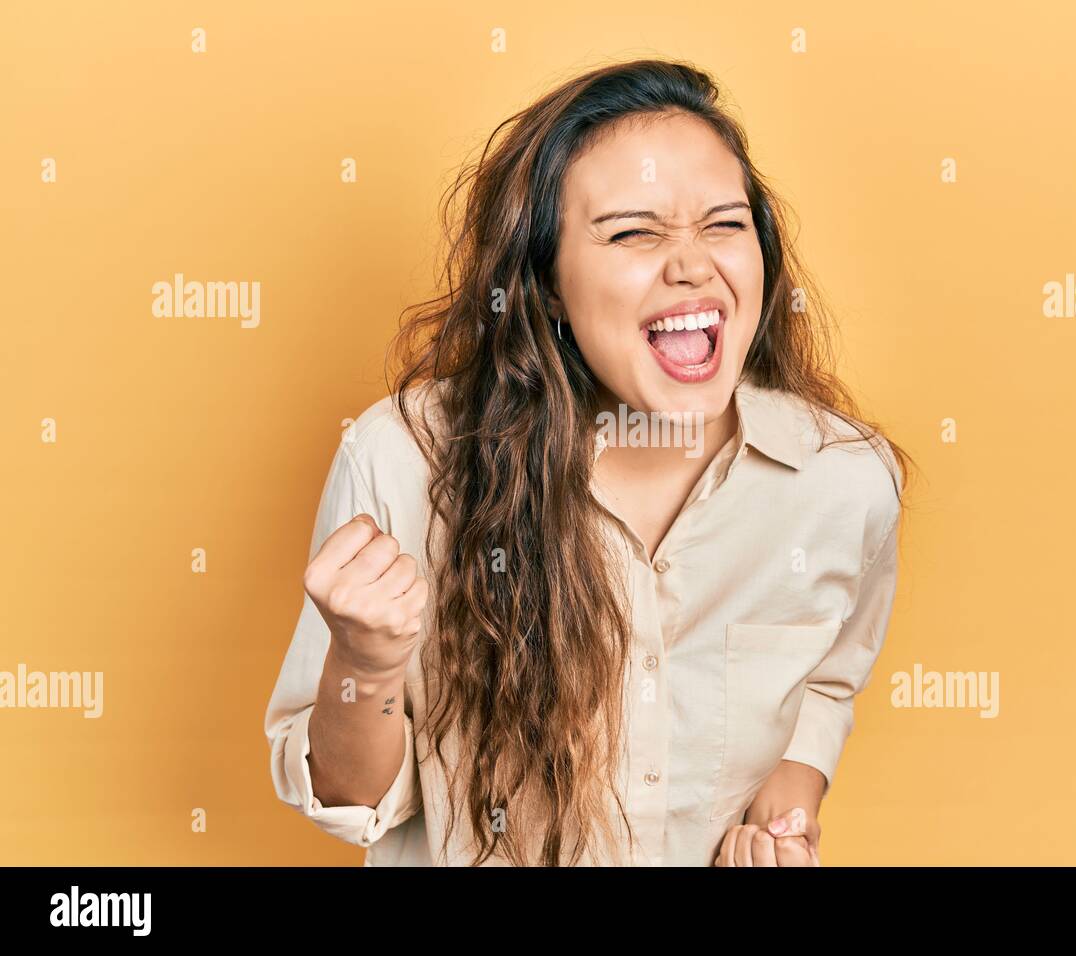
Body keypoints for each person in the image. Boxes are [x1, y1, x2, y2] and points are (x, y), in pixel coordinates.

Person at [265, 57, 910, 867]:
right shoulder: (402, 460)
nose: (691, 263)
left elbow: (826, 675)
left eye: (724, 223)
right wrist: (364, 660)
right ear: (544, 283)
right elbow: (351, 801)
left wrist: (793, 789)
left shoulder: (841, 482)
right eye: (634, 232)